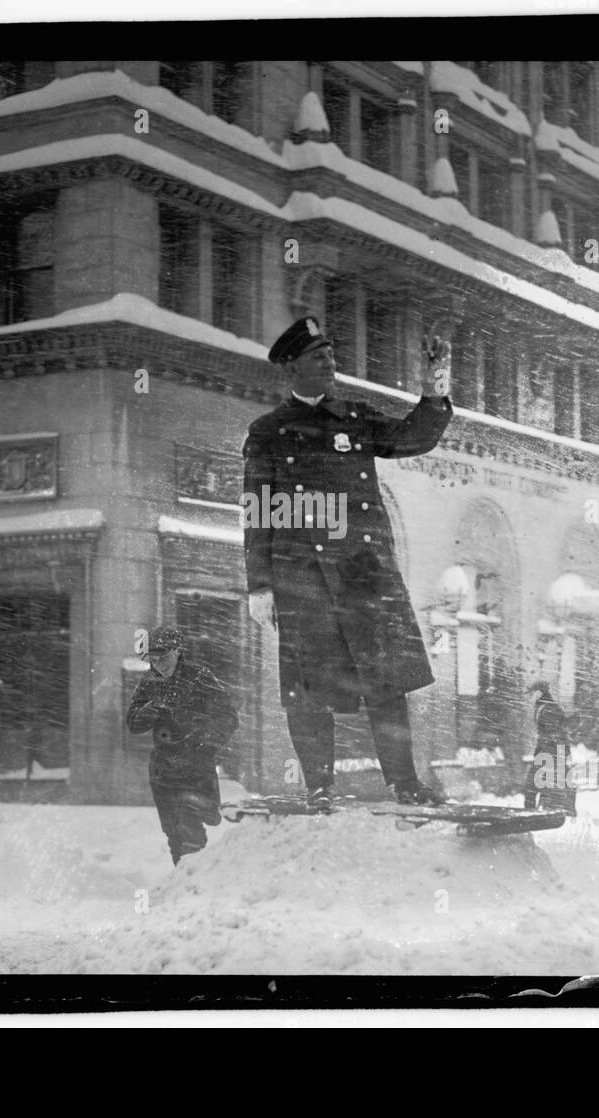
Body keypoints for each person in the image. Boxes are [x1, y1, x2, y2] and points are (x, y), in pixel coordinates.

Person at [243, 314, 453, 809]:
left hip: (363, 576)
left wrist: (435, 387)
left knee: (386, 683)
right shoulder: (268, 432)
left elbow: (413, 438)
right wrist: (260, 585)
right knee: (307, 691)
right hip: (304, 580)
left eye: (332, 356)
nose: (330, 364)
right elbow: (257, 512)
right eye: (319, 357)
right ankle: (319, 787)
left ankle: (405, 784)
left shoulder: (355, 419)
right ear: (292, 368)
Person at [126, 626, 239, 865]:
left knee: (190, 827)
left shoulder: (199, 677)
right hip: (163, 770)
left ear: (178, 651)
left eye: (164, 657)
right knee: (173, 832)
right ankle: (183, 876)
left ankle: (193, 875)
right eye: (153, 659)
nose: (159, 665)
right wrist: (153, 708)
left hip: (195, 767)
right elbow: (133, 723)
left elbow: (228, 718)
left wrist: (202, 746)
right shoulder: (149, 683)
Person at [528, 681, 577, 815]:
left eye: (532, 693)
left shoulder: (549, 708)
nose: (530, 696)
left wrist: (547, 750)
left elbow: (554, 732)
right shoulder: (543, 706)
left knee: (536, 783)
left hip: (553, 749)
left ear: (539, 693)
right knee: (541, 783)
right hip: (549, 749)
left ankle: (563, 809)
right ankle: (563, 809)